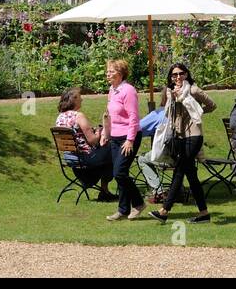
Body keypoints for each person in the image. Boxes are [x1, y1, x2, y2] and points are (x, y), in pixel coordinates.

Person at [151, 61, 216, 224]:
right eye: (174, 74)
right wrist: (171, 99)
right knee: (191, 176)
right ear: (171, 77)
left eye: (181, 73)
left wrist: (198, 112)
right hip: (179, 136)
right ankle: (204, 213)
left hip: (193, 136)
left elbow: (212, 105)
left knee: (179, 171)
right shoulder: (169, 92)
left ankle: (164, 211)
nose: (178, 77)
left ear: (186, 74)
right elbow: (166, 112)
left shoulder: (193, 90)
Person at [54, 87, 115, 202]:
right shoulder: (78, 116)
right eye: (80, 97)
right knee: (113, 149)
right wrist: (99, 131)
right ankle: (104, 190)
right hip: (85, 158)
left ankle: (98, 186)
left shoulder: (60, 117)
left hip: (69, 157)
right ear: (73, 99)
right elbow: (93, 141)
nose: (81, 100)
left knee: (107, 155)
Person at [103, 58, 145, 221]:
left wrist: (130, 140)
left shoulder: (128, 90)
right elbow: (110, 114)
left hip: (129, 137)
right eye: (107, 71)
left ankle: (139, 203)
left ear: (120, 73)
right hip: (115, 136)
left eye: (111, 71)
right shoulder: (112, 90)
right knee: (121, 173)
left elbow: (134, 117)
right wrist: (106, 133)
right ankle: (122, 210)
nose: (108, 74)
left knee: (119, 173)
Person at [137, 106, 169, 203]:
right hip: (187, 157)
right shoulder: (188, 110)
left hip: (166, 156)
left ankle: (159, 192)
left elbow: (138, 128)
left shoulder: (161, 113)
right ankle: (179, 190)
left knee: (142, 159)